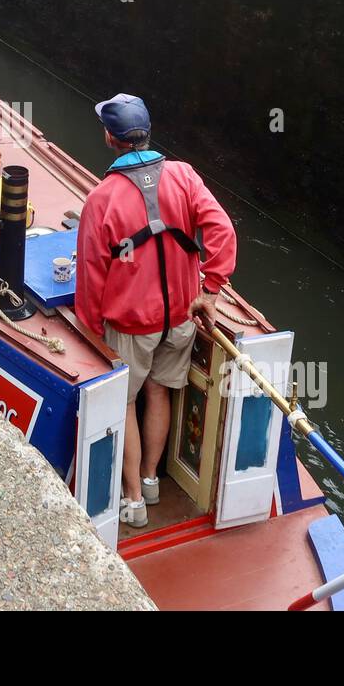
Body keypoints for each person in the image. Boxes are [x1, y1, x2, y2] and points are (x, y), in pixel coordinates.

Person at [74, 94, 237, 529]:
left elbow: (91, 273)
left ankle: (132, 501)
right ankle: (150, 479)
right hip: (182, 319)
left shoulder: (101, 198)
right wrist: (212, 289)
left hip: (131, 325)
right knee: (160, 392)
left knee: (125, 403)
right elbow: (221, 228)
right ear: (147, 131)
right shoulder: (184, 176)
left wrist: (89, 330)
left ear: (109, 137)